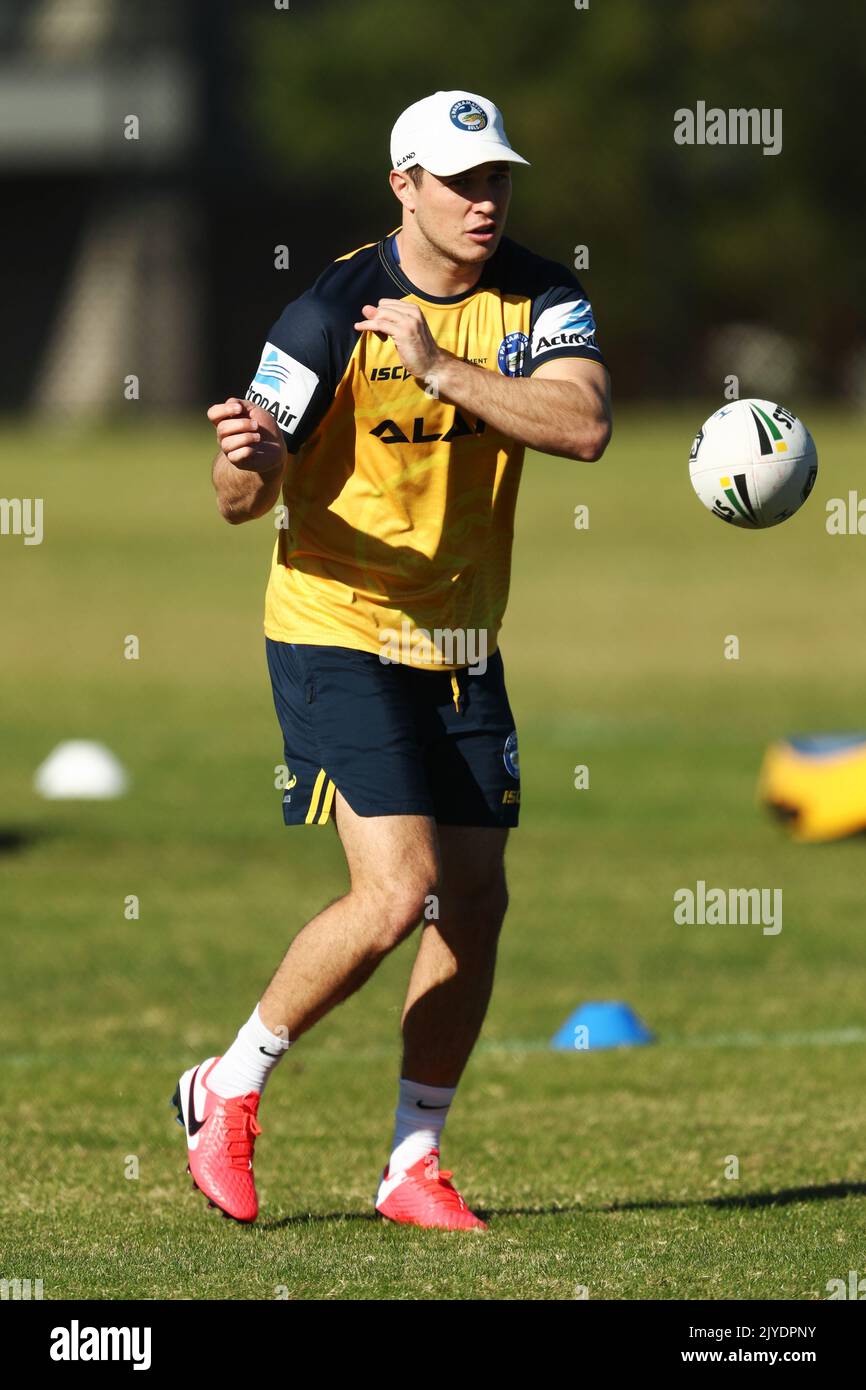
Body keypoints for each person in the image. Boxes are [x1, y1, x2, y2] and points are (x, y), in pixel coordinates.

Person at [172, 89, 611, 1231]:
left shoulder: (541, 296)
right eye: (459, 180)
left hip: (461, 636)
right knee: (397, 892)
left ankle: (410, 1163)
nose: (484, 200)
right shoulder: (326, 312)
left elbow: (581, 425)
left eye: (496, 177)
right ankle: (227, 1083)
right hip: (336, 623)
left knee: (473, 897)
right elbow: (238, 498)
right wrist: (251, 456)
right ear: (401, 186)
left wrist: (441, 368)